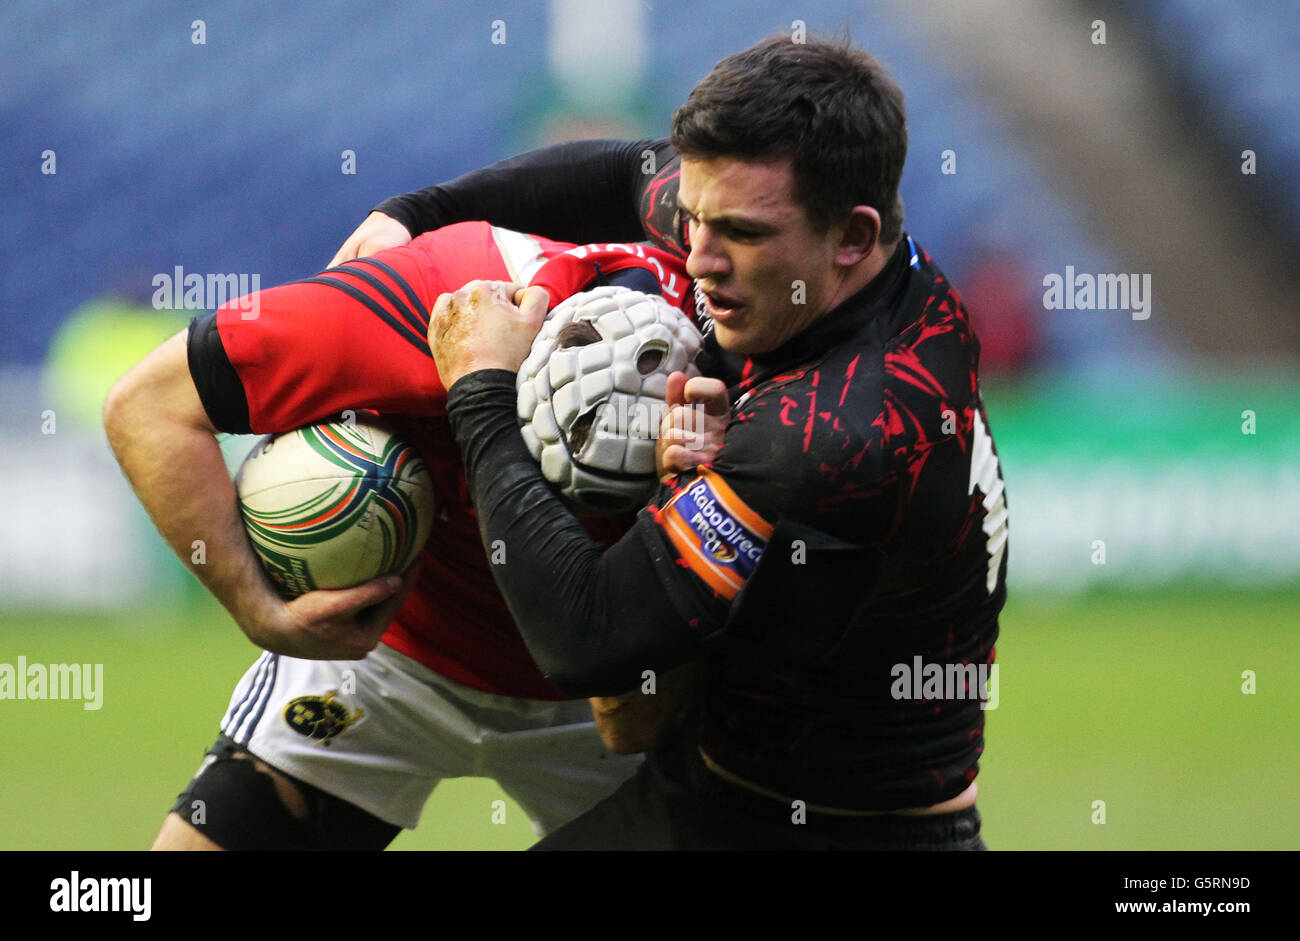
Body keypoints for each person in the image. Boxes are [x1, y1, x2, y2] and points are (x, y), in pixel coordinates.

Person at [375, 35, 1009, 849]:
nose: (698, 258)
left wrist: (481, 391)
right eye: (695, 218)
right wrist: (413, 214)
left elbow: (588, 641)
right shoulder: (823, 247)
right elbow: (616, 175)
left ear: (852, 237)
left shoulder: (834, 432)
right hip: (707, 788)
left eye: (736, 233)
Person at [103, 220, 716, 849]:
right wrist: (259, 611)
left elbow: (629, 727)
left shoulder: (741, 397)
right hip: (379, 659)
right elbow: (148, 406)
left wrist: (674, 499)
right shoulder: (426, 300)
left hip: (593, 699)